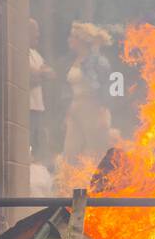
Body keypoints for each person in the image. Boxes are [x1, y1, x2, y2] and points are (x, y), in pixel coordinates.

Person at [61, 21, 115, 167]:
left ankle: (99, 184)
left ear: (81, 40)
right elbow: (70, 90)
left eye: (72, 37)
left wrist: (103, 110)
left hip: (92, 107)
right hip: (75, 108)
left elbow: (107, 86)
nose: (69, 40)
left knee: (96, 150)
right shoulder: (72, 61)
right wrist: (68, 112)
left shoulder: (98, 61)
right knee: (70, 152)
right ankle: (69, 186)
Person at [28, 17, 55, 162]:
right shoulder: (21, 51)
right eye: (35, 31)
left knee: (37, 141)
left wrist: (38, 74)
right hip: (28, 107)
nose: (38, 34)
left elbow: (51, 73)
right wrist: (39, 74)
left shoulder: (35, 54)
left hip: (38, 107)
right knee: (28, 141)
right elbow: (29, 75)